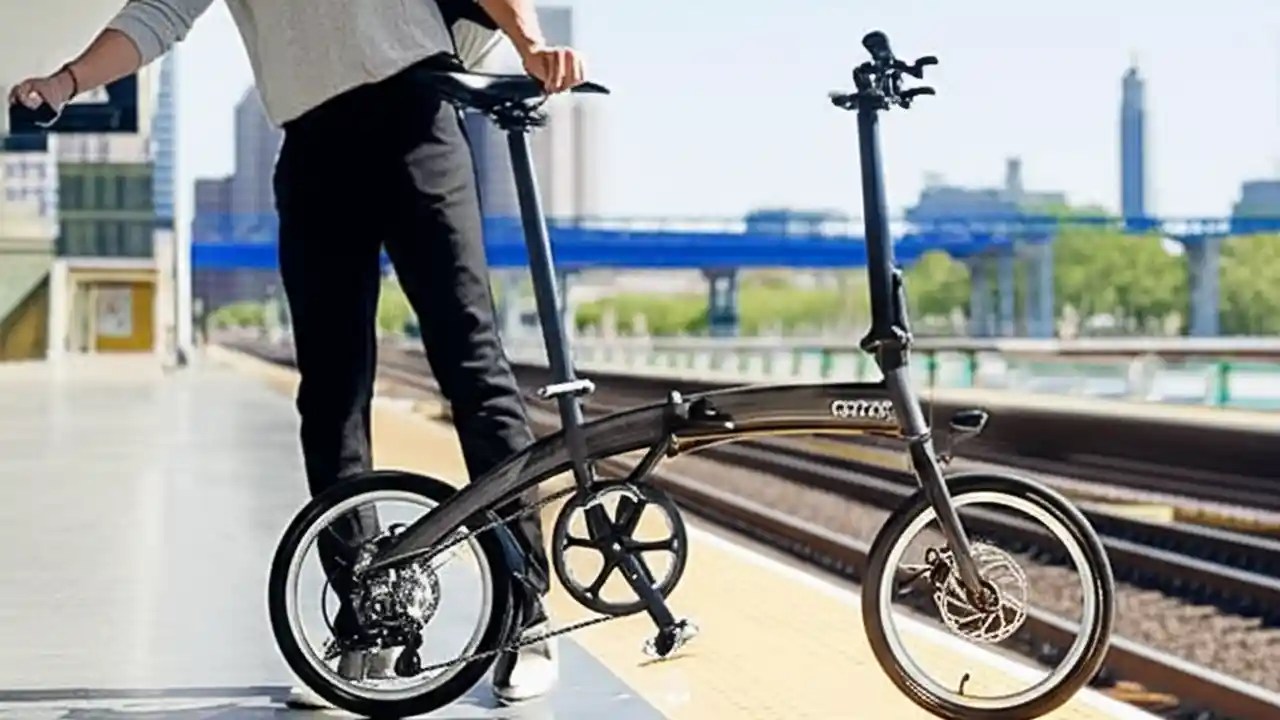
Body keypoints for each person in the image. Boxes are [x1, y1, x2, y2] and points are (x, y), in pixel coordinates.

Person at [9, 0, 586, 708]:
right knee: (331, 395)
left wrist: (529, 39)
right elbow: (158, 14)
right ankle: (368, 622)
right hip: (314, 148)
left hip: (417, 113)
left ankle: (525, 616)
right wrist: (66, 83)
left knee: (471, 368)